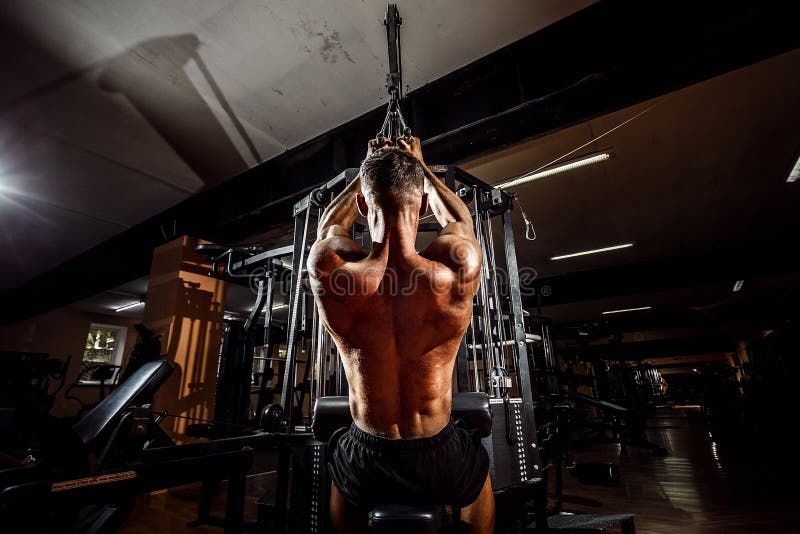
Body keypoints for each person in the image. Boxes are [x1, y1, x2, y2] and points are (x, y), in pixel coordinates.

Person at [308, 137, 494, 533]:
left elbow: (329, 225)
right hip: (440, 456)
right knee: (479, 476)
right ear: (424, 204)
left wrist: (365, 168)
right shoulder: (455, 270)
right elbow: (460, 219)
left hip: (366, 457)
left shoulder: (332, 270)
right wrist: (420, 166)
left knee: (341, 461)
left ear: (361, 204)